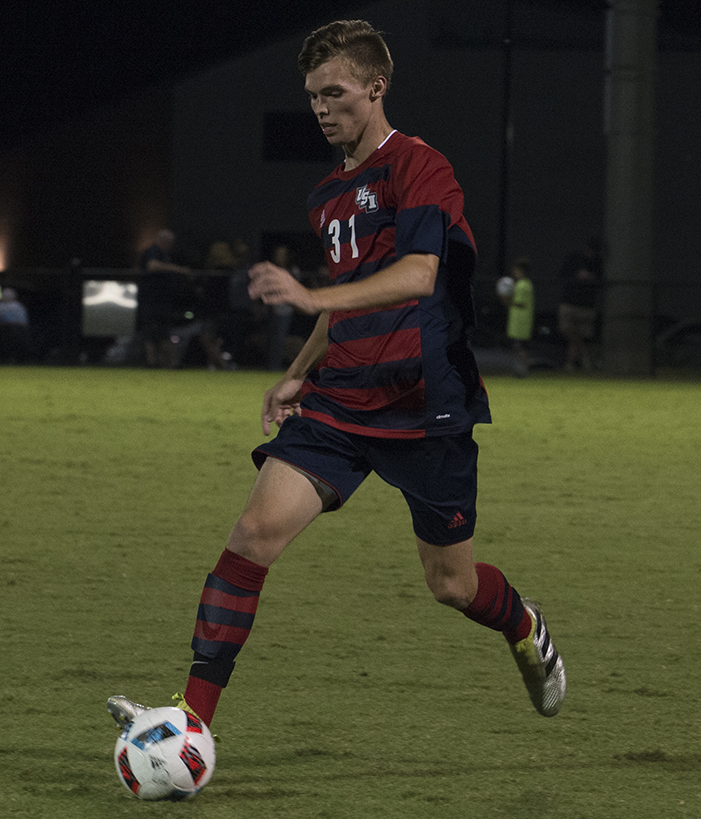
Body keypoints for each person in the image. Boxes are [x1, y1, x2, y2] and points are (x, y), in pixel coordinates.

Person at [107, 20, 565, 739]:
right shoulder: (327, 197)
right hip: (340, 400)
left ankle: (524, 623)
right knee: (252, 533)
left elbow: (417, 275)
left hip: (425, 402)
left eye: (335, 93)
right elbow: (353, 296)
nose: (322, 108)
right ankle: (191, 719)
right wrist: (298, 372)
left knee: (451, 583)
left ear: (376, 88)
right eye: (313, 96)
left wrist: (311, 297)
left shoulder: (420, 166)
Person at [134, 228, 193, 367]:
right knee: (152, 333)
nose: (170, 245)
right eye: (169, 242)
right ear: (162, 240)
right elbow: (152, 265)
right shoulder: (153, 251)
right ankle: (154, 363)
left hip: (162, 301)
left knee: (163, 333)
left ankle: (166, 363)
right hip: (151, 300)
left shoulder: (165, 254)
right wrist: (180, 269)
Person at [557, 239, 602, 372]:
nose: (591, 254)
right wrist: (576, 275)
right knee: (567, 330)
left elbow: (601, 280)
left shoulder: (597, 262)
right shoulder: (573, 258)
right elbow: (561, 274)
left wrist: (591, 277)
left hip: (586, 305)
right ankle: (585, 358)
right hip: (569, 302)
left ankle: (570, 364)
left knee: (584, 335)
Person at [502, 256, 534, 377]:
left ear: (520, 271)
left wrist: (506, 300)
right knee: (521, 346)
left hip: (520, 321)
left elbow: (520, 303)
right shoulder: (528, 283)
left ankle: (522, 370)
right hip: (524, 321)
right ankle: (520, 370)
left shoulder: (521, 285)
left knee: (519, 347)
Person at [0, 287, 30, 363]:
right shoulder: (20, 306)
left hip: (7, 332)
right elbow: (25, 322)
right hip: (22, 332)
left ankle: (1, 359)